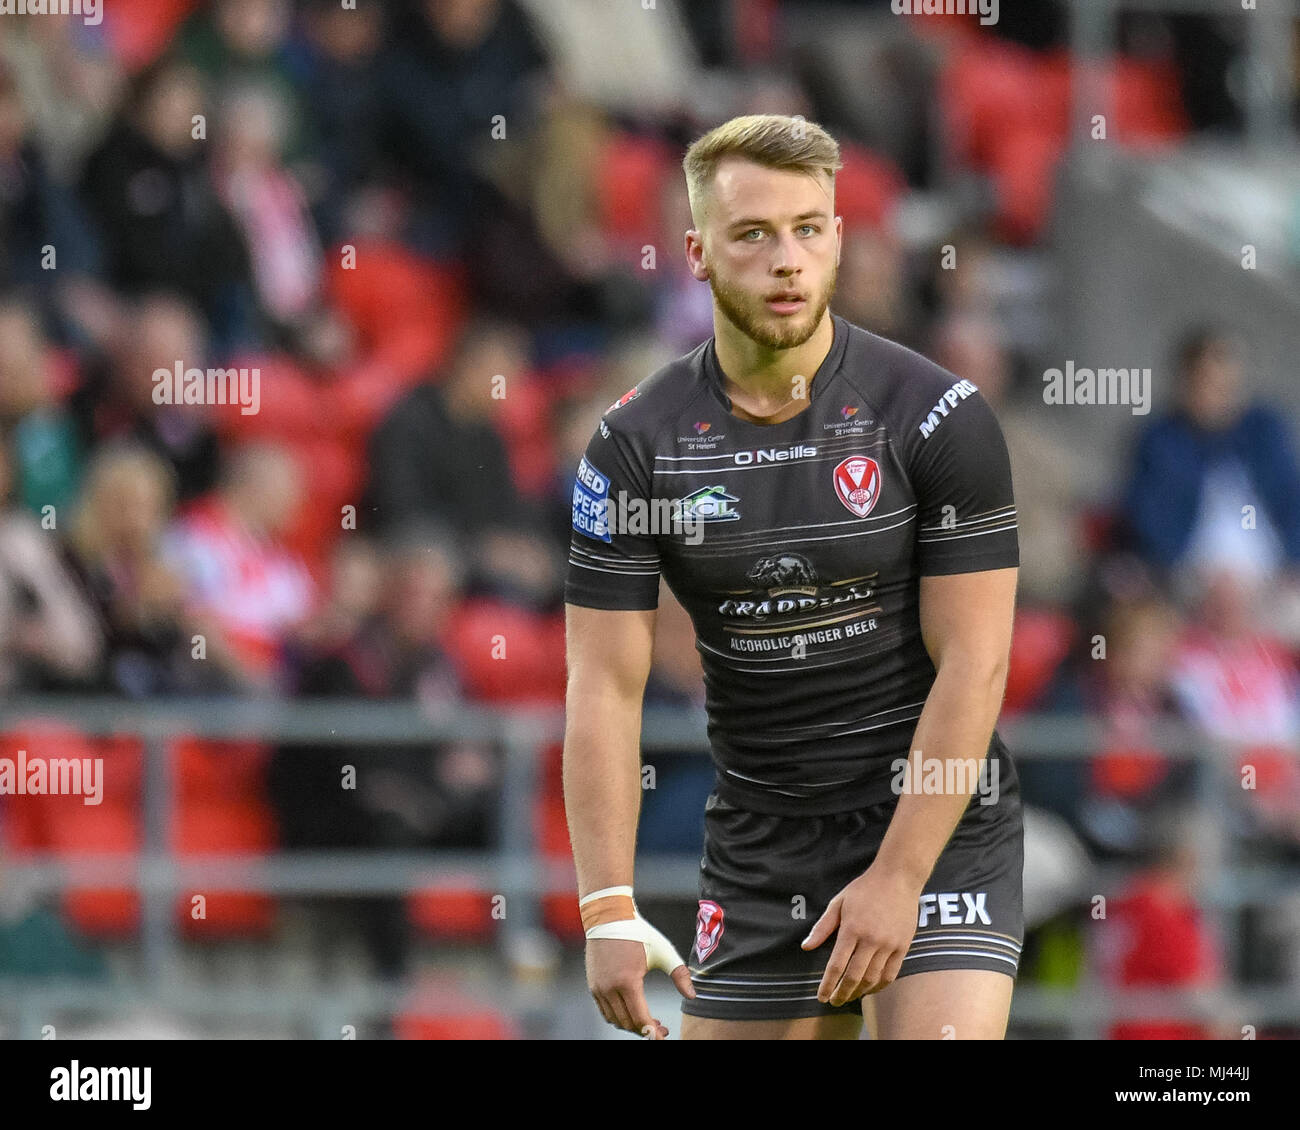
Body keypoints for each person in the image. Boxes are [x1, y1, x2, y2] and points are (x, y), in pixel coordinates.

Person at [563, 114, 1022, 1040]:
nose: (787, 260)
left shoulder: (936, 418)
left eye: (809, 229)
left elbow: (976, 662)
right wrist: (607, 905)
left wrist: (897, 879)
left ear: (840, 240)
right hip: (763, 845)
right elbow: (604, 685)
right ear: (696, 252)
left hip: (934, 825)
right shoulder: (633, 448)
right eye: (754, 234)